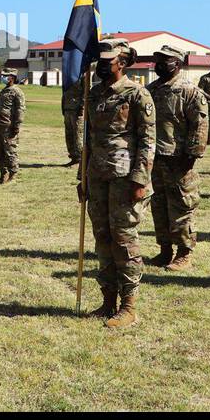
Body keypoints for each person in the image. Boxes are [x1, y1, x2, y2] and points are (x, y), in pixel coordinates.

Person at [79, 39, 155, 329]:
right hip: (98, 177)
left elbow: (148, 142)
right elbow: (89, 141)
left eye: (107, 61)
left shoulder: (138, 94)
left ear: (121, 63)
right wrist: (83, 177)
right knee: (103, 239)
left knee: (124, 240)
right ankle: (108, 300)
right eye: (99, 60)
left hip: (126, 180)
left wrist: (140, 179)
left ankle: (129, 305)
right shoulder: (94, 93)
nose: (100, 65)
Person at [147, 45, 209, 271]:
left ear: (179, 64)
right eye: (158, 60)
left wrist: (192, 155)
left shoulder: (190, 91)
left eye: (166, 60)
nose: (160, 64)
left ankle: (184, 253)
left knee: (182, 206)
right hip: (155, 158)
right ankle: (165, 250)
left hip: (179, 159)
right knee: (159, 205)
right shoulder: (151, 89)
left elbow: (200, 125)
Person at [0, 69, 25, 184]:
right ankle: (3, 173)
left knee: (10, 150)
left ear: (12, 77)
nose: (3, 77)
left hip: (9, 126)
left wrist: (16, 125)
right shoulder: (4, 90)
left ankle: (13, 173)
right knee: (0, 151)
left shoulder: (17, 92)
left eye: (6, 76)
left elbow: (20, 110)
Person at [61, 79, 85, 165]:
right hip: (67, 109)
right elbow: (64, 93)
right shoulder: (68, 75)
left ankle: (80, 158)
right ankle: (73, 157)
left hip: (77, 110)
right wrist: (63, 108)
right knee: (69, 134)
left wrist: (82, 107)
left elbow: (86, 92)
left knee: (78, 135)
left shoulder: (82, 76)